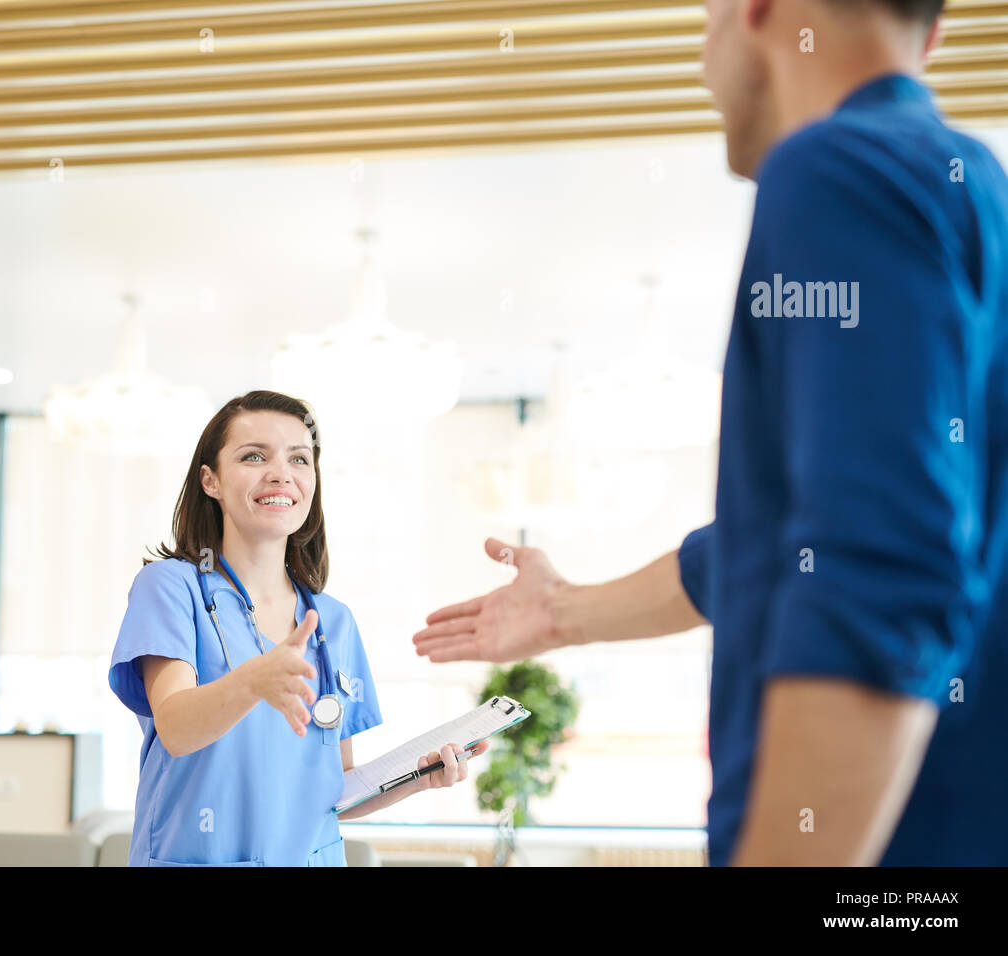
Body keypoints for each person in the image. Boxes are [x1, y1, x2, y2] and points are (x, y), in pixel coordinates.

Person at [413, 0, 1008, 866]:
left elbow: (876, 570)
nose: (702, 58)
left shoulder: (837, 168)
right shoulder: (972, 186)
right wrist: (563, 612)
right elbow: (780, 548)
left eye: (707, 17)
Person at [108, 390, 484, 866]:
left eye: (299, 459)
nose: (281, 473)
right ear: (211, 480)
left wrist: (416, 778)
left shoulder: (333, 621)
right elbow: (177, 728)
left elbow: (334, 790)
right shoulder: (171, 587)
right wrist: (253, 680)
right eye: (253, 456)